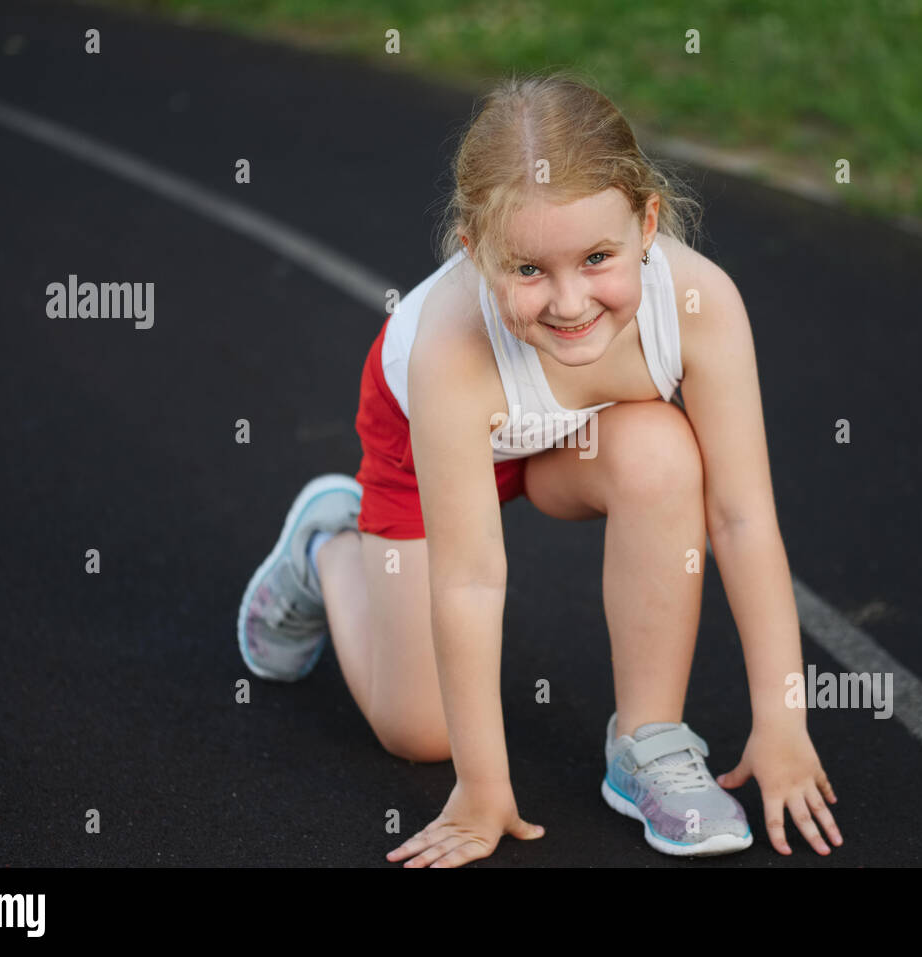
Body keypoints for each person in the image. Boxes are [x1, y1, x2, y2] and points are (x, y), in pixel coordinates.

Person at [237, 70, 841, 868]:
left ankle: (647, 741)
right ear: (475, 252)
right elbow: (471, 578)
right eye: (528, 270)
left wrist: (784, 720)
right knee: (419, 733)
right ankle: (328, 547)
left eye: (597, 258)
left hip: (572, 442)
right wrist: (483, 785)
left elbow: (740, 517)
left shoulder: (702, 306)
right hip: (436, 449)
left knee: (665, 451)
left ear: (648, 222)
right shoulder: (450, 351)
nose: (568, 302)